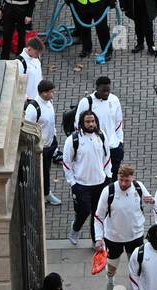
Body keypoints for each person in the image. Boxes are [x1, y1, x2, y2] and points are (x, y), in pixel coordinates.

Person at [94, 164, 154, 290]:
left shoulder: (138, 188)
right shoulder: (108, 191)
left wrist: (152, 201)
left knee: (137, 269)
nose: (123, 183)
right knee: (112, 267)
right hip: (114, 238)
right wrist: (98, 238)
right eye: (121, 180)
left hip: (135, 236)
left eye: (126, 180)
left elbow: (152, 201)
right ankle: (110, 282)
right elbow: (99, 216)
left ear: (132, 178)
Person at [62, 108, 111, 246]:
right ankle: (75, 228)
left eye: (93, 121)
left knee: (97, 213)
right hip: (81, 184)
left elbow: (107, 157)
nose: (91, 124)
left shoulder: (101, 136)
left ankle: (96, 240)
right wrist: (72, 182)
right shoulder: (73, 140)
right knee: (83, 211)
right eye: (88, 122)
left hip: (100, 183)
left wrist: (108, 176)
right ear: (82, 123)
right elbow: (67, 162)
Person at [76, 76, 124, 179]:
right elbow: (78, 125)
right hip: (96, 147)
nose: (106, 93)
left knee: (114, 176)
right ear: (97, 88)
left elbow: (118, 122)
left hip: (113, 146)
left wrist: (120, 141)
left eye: (108, 90)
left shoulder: (114, 100)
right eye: (103, 91)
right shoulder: (87, 102)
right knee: (98, 176)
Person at [25, 77, 60, 206]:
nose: (53, 94)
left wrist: (54, 140)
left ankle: (45, 193)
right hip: (42, 147)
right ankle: (44, 194)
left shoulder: (49, 103)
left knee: (46, 170)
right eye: (51, 92)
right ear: (44, 93)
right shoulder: (33, 109)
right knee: (42, 173)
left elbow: (51, 123)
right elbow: (28, 129)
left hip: (50, 144)